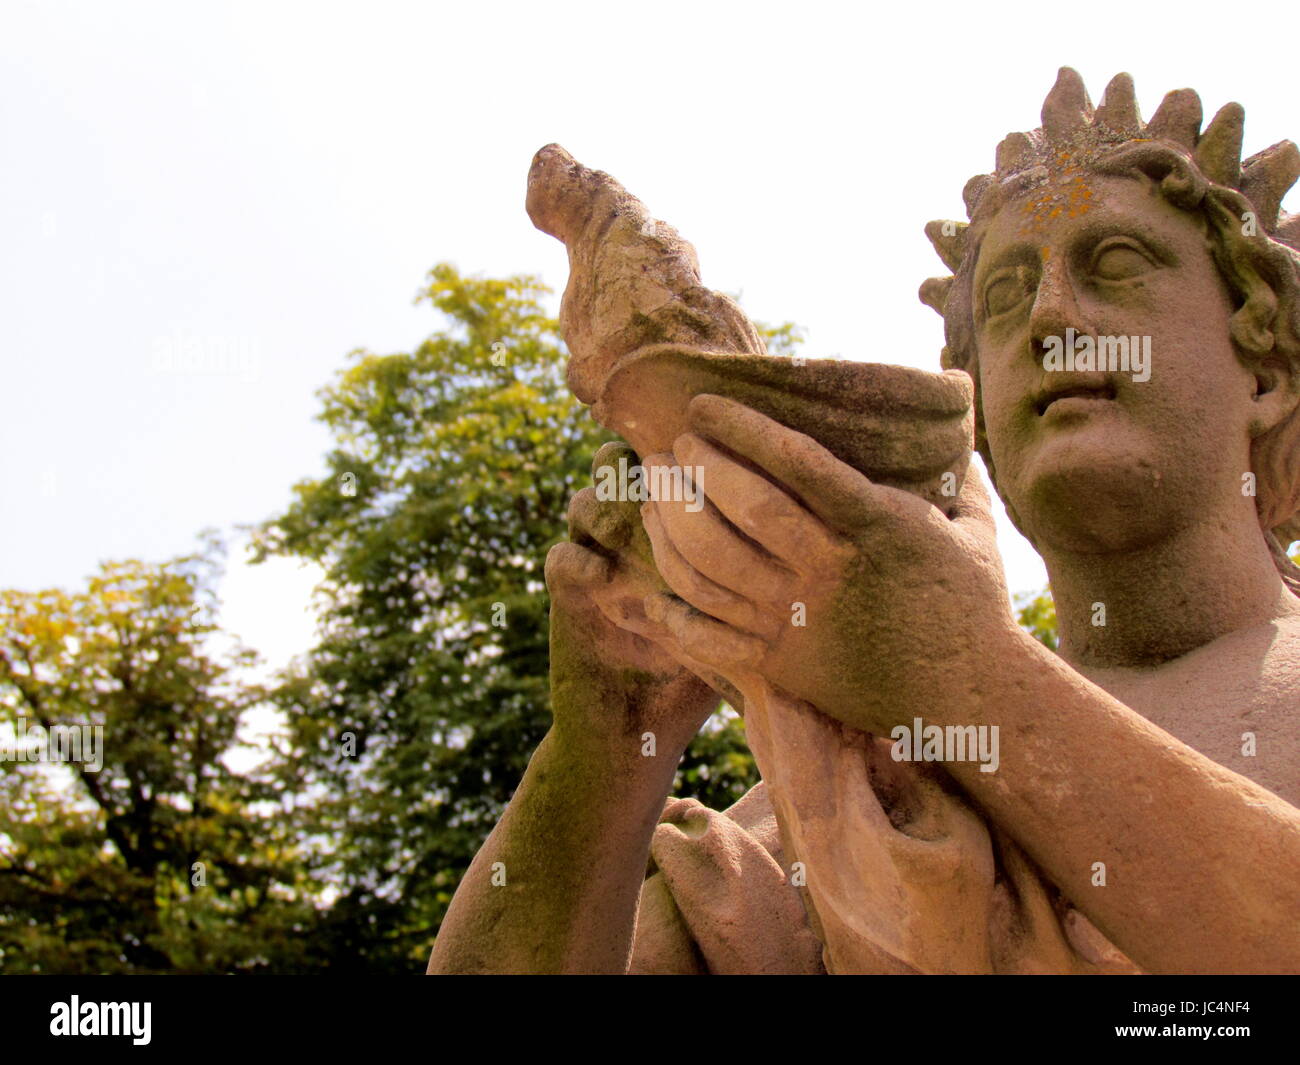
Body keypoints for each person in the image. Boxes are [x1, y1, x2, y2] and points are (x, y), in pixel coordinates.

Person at [428, 69, 1300, 975]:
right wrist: (599, 752)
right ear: (983, 422)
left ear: (1267, 370)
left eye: (1117, 265)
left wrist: (969, 680)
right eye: (1003, 297)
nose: (1050, 318)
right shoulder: (852, 796)